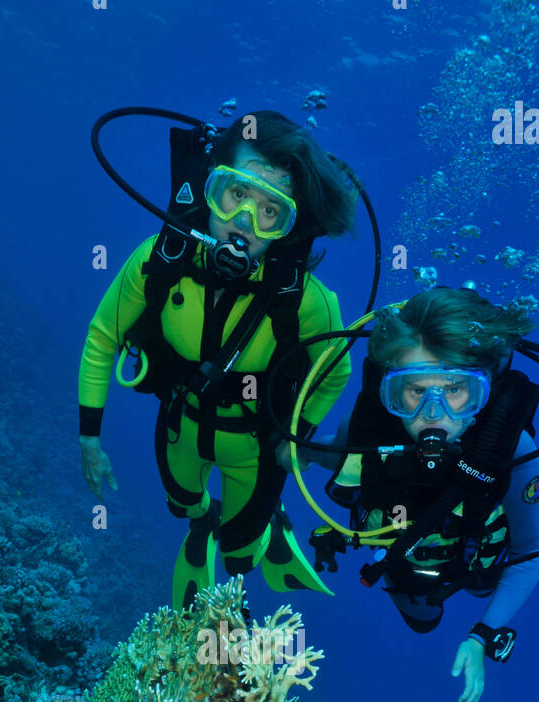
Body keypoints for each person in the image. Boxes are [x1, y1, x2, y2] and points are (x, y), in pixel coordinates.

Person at [77, 110, 358, 610]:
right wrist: (89, 440)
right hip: (180, 423)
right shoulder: (157, 261)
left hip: (255, 446)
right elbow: (102, 338)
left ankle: (268, 525)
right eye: (236, 195)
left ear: (287, 228)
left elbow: (335, 370)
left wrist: (296, 438)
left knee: (239, 560)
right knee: (183, 504)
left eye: (270, 211)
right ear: (210, 188)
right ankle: (202, 522)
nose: (244, 224)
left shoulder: (309, 303)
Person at [315, 287, 539, 702]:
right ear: (390, 390)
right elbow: (331, 449)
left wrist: (483, 634)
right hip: (398, 560)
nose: (434, 413)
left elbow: (532, 549)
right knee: (421, 620)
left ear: (486, 390)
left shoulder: (513, 450)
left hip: (472, 567)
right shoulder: (372, 424)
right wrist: (282, 445)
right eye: (414, 390)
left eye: (456, 390)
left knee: (482, 592)